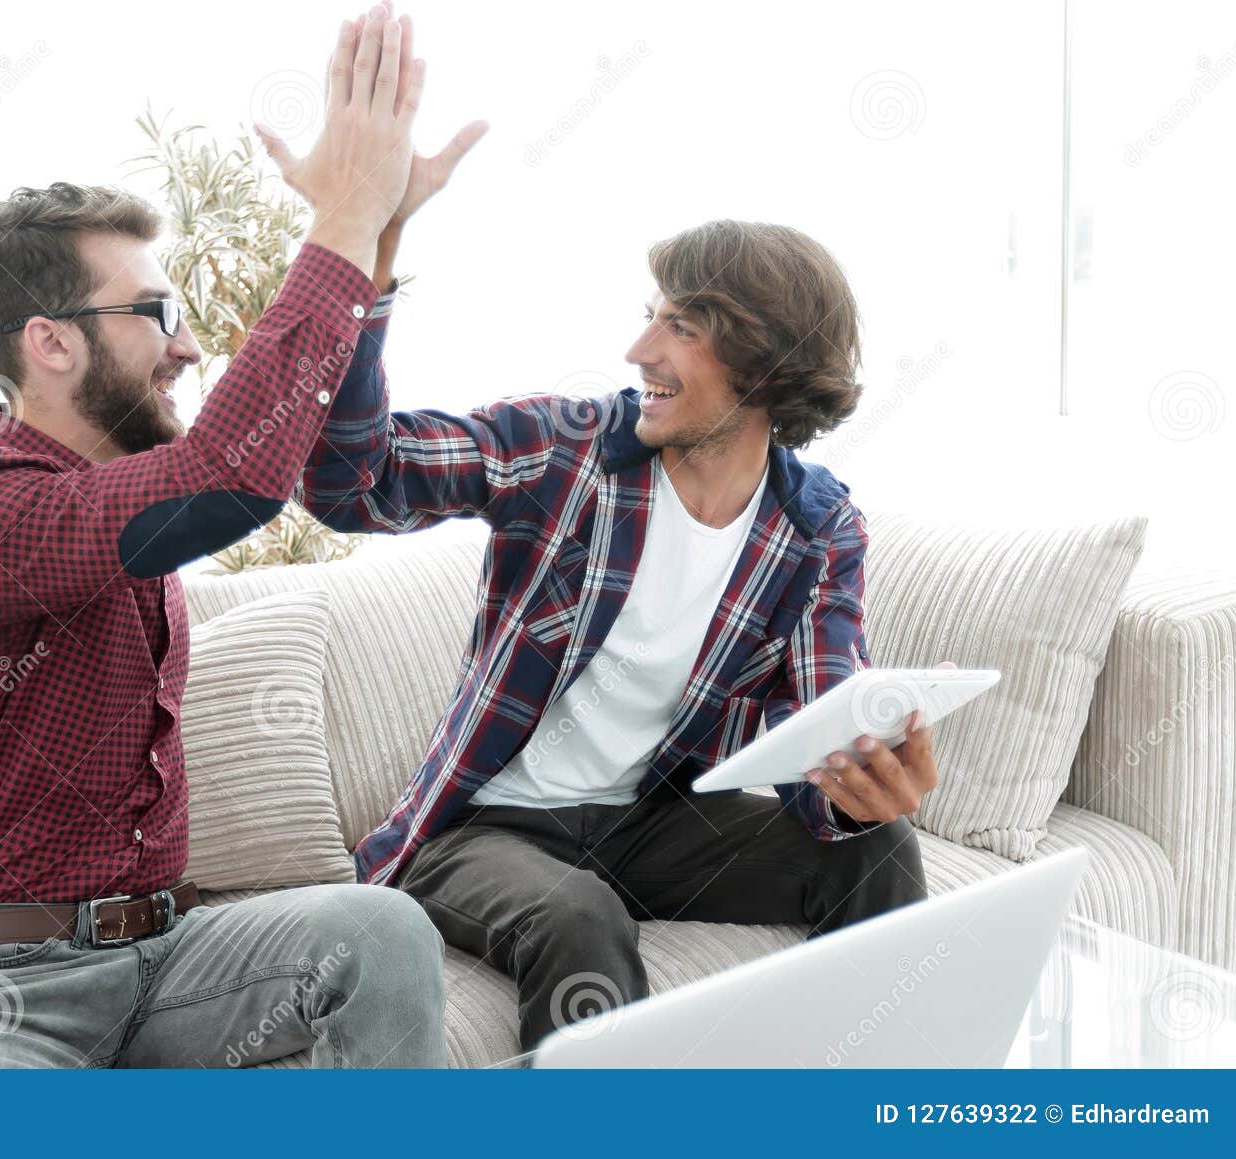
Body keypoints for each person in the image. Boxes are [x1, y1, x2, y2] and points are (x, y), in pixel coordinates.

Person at [0, 4, 460, 1068]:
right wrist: (335, 225)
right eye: (155, 312)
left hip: (178, 957)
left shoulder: (125, 511)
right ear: (48, 343)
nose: (189, 346)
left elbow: (291, 454)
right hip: (3, 986)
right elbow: (230, 480)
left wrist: (373, 241)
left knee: (378, 932)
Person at [288, 206, 944, 1053]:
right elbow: (356, 483)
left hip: (648, 822)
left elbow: (812, 745)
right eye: (652, 315)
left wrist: (859, 787)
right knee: (578, 915)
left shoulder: (815, 530)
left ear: (764, 362)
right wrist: (364, 282)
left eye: (681, 326)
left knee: (878, 849)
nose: (641, 351)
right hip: (481, 829)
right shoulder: (568, 452)